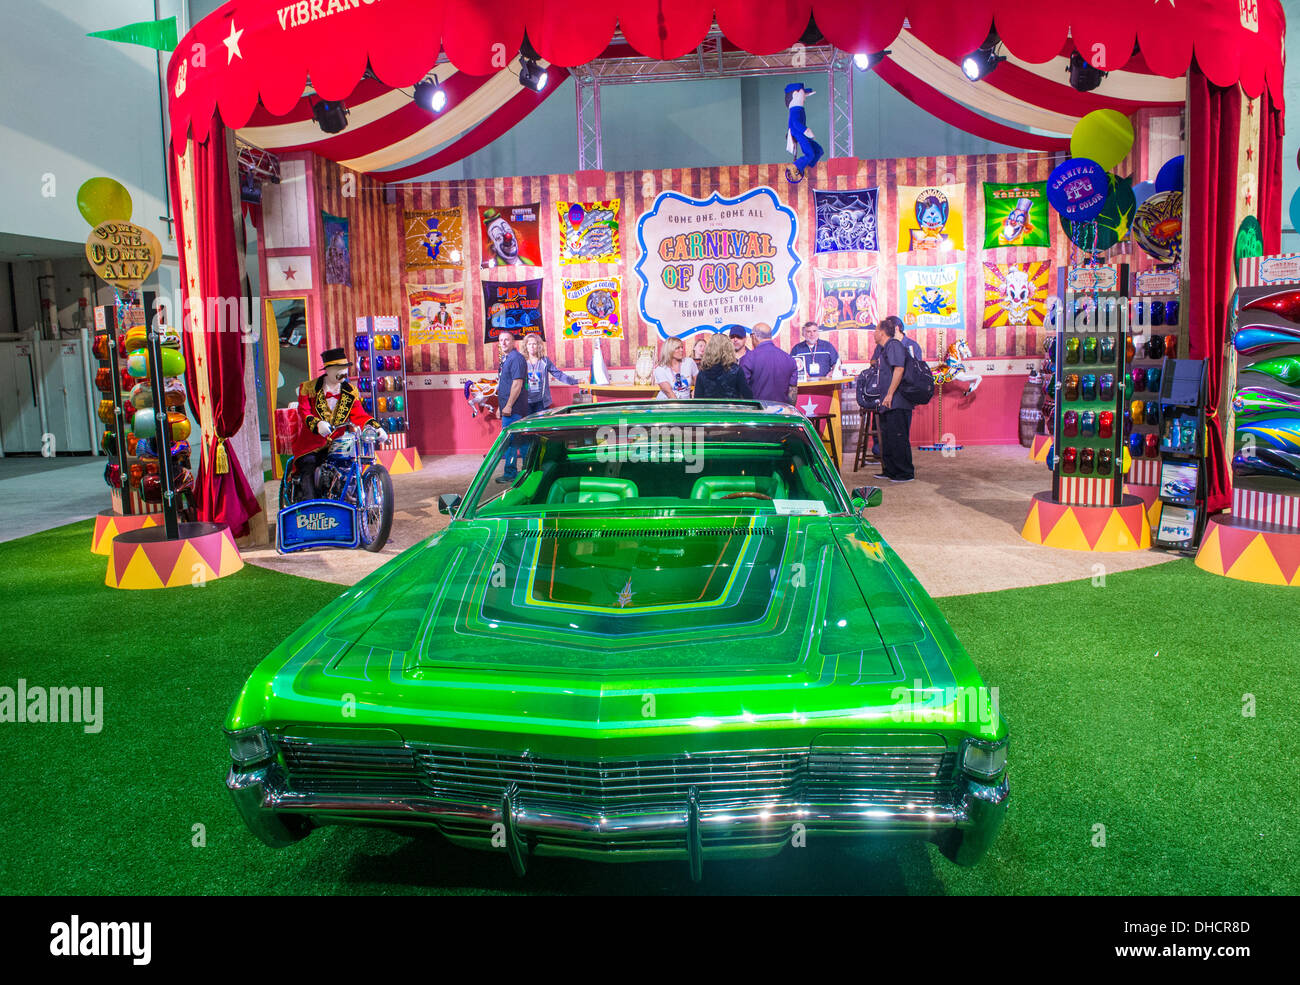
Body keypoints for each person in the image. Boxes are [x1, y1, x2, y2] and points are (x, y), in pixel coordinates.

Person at [292, 347, 385, 499]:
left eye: (345, 368)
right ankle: (311, 507)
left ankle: (353, 499)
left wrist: (377, 428)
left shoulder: (350, 391)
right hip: (312, 444)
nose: (343, 372)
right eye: (338, 368)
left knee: (351, 465)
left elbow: (360, 415)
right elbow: (304, 412)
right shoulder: (308, 388)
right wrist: (317, 424)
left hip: (339, 443)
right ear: (327, 370)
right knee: (309, 467)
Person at [873, 315, 914, 483]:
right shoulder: (884, 349)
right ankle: (890, 470)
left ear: (882, 333)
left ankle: (904, 473)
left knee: (898, 437)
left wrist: (890, 394)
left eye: (876, 331)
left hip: (897, 401)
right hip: (887, 402)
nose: (874, 334)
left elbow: (899, 369)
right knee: (888, 437)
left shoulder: (894, 345)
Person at [493, 330, 529, 483]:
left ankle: (511, 473)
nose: (503, 343)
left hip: (514, 408)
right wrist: (500, 407)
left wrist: (507, 406)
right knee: (518, 440)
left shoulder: (516, 358)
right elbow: (504, 384)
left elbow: (517, 384)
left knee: (512, 442)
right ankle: (528, 471)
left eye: (507, 340)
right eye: (501, 340)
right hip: (507, 407)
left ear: (514, 342)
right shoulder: (506, 359)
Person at [739, 322, 798, 404]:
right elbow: (793, 391)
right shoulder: (789, 359)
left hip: (758, 413)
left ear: (753, 336)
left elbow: (742, 390)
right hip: (782, 412)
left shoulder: (748, 359)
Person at [523, 332, 581, 414]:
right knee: (528, 425)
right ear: (526, 346)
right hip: (526, 401)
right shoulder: (521, 361)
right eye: (529, 344)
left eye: (534, 344)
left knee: (541, 425)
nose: (532, 347)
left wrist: (575, 381)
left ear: (538, 346)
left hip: (541, 401)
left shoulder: (545, 360)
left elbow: (558, 374)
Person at [694, 333, 753, 400]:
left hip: (709, 409)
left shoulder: (703, 372)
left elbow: (698, 400)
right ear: (729, 348)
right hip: (731, 409)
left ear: (709, 349)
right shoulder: (736, 370)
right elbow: (748, 396)